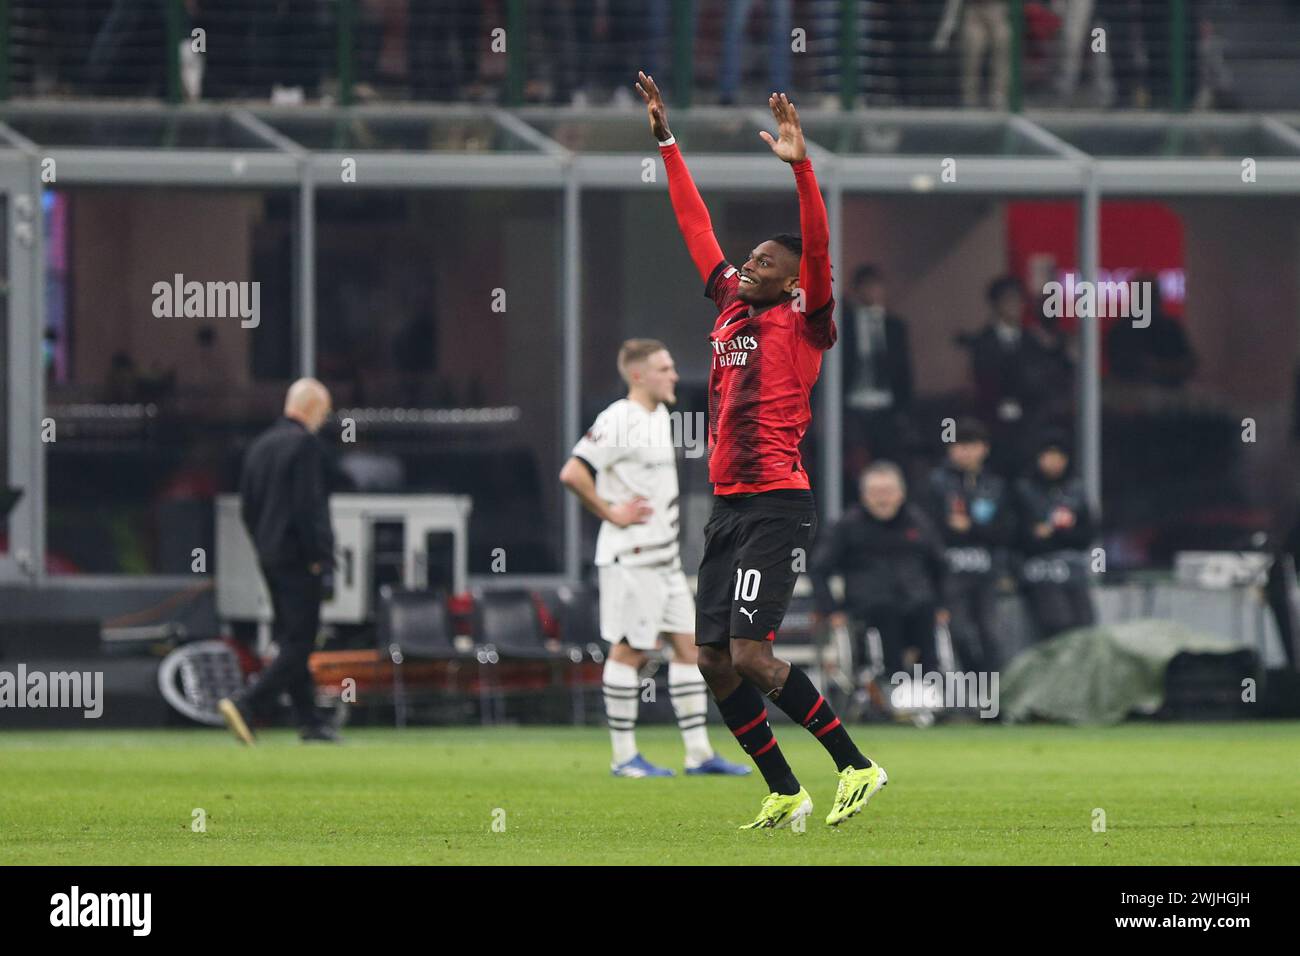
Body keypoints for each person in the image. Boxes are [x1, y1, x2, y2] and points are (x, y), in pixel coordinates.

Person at [636, 71, 886, 830]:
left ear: (791, 281)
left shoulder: (806, 319)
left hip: (779, 499)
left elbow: (817, 244)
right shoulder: (728, 302)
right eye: (750, 259)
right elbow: (695, 227)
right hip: (729, 505)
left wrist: (800, 166)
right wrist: (669, 144)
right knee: (711, 658)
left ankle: (858, 765)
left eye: (766, 265)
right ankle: (784, 788)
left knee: (750, 654)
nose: (750, 266)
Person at [559, 339, 750, 778]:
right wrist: (611, 512)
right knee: (631, 650)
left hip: (665, 563)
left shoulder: (660, 416)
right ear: (639, 374)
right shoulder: (618, 418)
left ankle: (699, 754)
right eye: (665, 368)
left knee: (689, 648)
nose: (675, 376)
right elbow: (573, 471)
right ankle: (624, 757)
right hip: (632, 558)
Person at [219, 378, 338, 745]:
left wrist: (264, 544)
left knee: (291, 637)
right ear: (313, 408)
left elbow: (248, 507)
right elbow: (309, 507)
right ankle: (248, 703)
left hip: (270, 556)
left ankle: (310, 721)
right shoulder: (304, 445)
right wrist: (321, 556)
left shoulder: (260, 446)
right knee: (300, 642)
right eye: (325, 411)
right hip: (299, 559)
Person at [811, 462, 947, 681]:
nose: (882, 499)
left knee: (926, 610)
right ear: (863, 495)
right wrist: (831, 610)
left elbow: (940, 564)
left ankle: (932, 684)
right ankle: (891, 681)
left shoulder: (918, 522)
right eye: (875, 492)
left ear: (901, 493)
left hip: (916, 602)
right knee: (886, 610)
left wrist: (941, 604)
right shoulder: (847, 526)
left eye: (888, 492)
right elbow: (819, 569)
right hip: (868, 607)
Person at [924, 418, 1013, 672]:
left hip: (987, 572)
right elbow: (928, 527)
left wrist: (972, 528)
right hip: (950, 572)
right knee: (960, 634)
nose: (965, 451)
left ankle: (995, 697)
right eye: (959, 445)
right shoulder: (936, 483)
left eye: (972, 445)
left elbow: (1007, 530)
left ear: (984, 448)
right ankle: (969, 692)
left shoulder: (995, 486)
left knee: (991, 635)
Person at [840, 264, 915, 497]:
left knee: (889, 463)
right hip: (853, 405)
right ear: (856, 290)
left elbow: (904, 370)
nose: (872, 292)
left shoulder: (894, 326)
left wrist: (904, 408)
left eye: (876, 286)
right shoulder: (845, 324)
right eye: (867, 286)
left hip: (886, 407)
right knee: (854, 465)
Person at [1014, 431, 1097, 641]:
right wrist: (1045, 537)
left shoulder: (1076, 490)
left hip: (1073, 570)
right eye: (1048, 456)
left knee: (1086, 627)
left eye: (1059, 457)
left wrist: (1055, 533)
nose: (1054, 462)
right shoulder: (1023, 490)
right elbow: (1021, 536)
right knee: (1058, 625)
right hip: (1039, 571)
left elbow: (1088, 535)